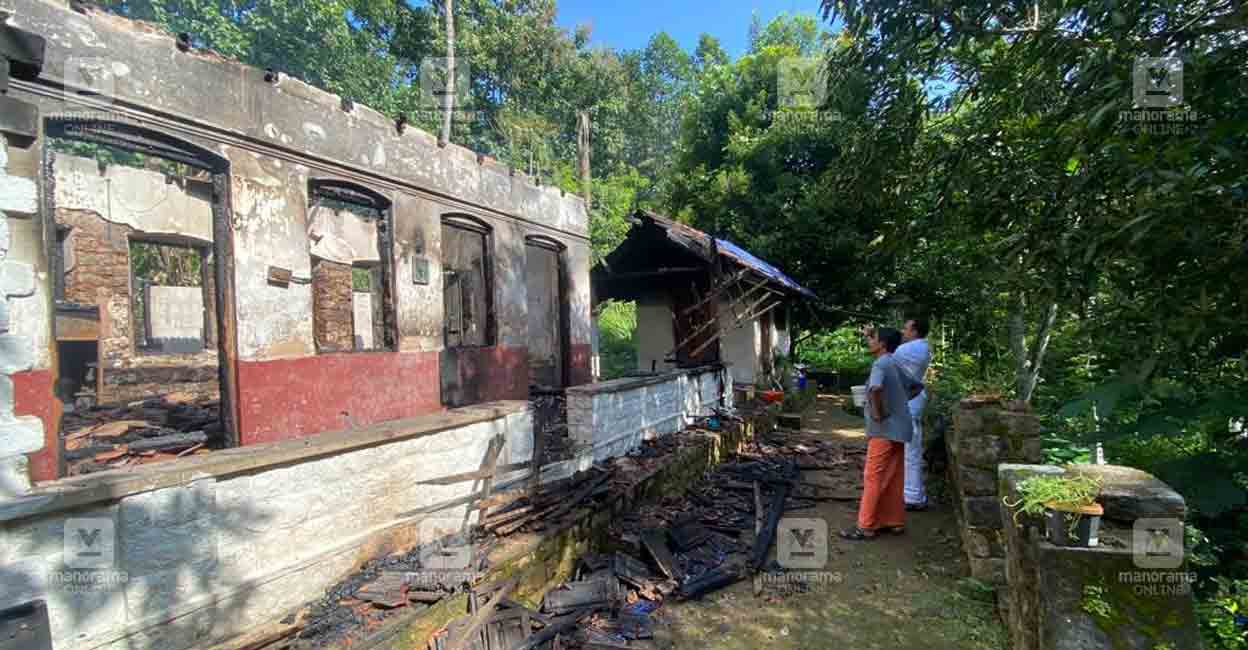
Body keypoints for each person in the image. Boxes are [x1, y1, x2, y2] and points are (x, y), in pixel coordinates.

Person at [840, 326, 923, 540]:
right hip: (901, 427)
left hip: (884, 429)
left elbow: (875, 388)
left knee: (873, 475)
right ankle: (894, 521)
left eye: (873, 338)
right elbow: (916, 387)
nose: (869, 341)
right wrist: (897, 404)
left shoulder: (880, 363)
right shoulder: (895, 362)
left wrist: (879, 412)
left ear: (882, 344)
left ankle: (865, 526)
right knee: (894, 475)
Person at [894, 318, 932, 511]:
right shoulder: (924, 348)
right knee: (912, 451)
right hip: (914, 402)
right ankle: (912, 493)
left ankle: (912, 496)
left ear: (915, 331)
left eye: (906, 328)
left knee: (909, 452)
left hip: (908, 402)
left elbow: (887, 359)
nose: (903, 331)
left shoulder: (905, 350)